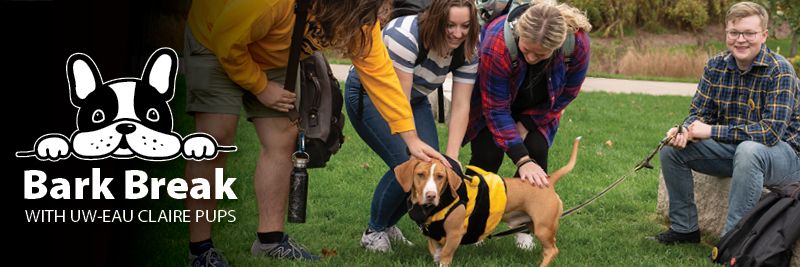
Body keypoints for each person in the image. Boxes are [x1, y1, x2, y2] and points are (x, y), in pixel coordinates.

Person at [183, 0, 448, 265]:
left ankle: (270, 241)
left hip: (275, 54)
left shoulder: (360, 16)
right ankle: (201, 249)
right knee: (215, 140)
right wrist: (260, 87)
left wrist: (410, 137)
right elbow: (226, 41)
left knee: (282, 139)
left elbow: (381, 77)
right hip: (215, 39)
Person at [655, 1, 800, 244]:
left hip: (786, 157)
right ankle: (684, 229)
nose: (740, 39)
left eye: (749, 33)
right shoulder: (715, 66)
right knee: (671, 149)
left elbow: (770, 133)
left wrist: (710, 131)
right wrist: (684, 131)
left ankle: (732, 241)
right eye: (734, 33)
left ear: (763, 35)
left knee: (749, 150)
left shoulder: (780, 71)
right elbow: (698, 113)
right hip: (738, 152)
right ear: (726, 33)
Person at [344, 0, 480, 252]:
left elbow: (461, 104)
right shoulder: (404, 36)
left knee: (432, 166)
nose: (458, 33)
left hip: (415, 99)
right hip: (373, 96)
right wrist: (412, 142)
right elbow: (398, 102)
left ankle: (388, 225)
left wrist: (451, 159)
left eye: (465, 25)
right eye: (450, 25)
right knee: (409, 162)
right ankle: (374, 231)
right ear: (435, 19)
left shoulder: (470, 45)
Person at [462, 0, 590, 249]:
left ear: (556, 46)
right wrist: (521, 159)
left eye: (540, 54)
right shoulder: (497, 42)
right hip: (495, 101)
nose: (531, 58)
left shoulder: (577, 44)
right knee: (487, 155)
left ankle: (525, 222)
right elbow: (496, 108)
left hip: (541, 106)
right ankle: (470, 220)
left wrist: (528, 123)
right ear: (519, 33)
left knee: (537, 149)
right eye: (526, 49)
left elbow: (568, 92)